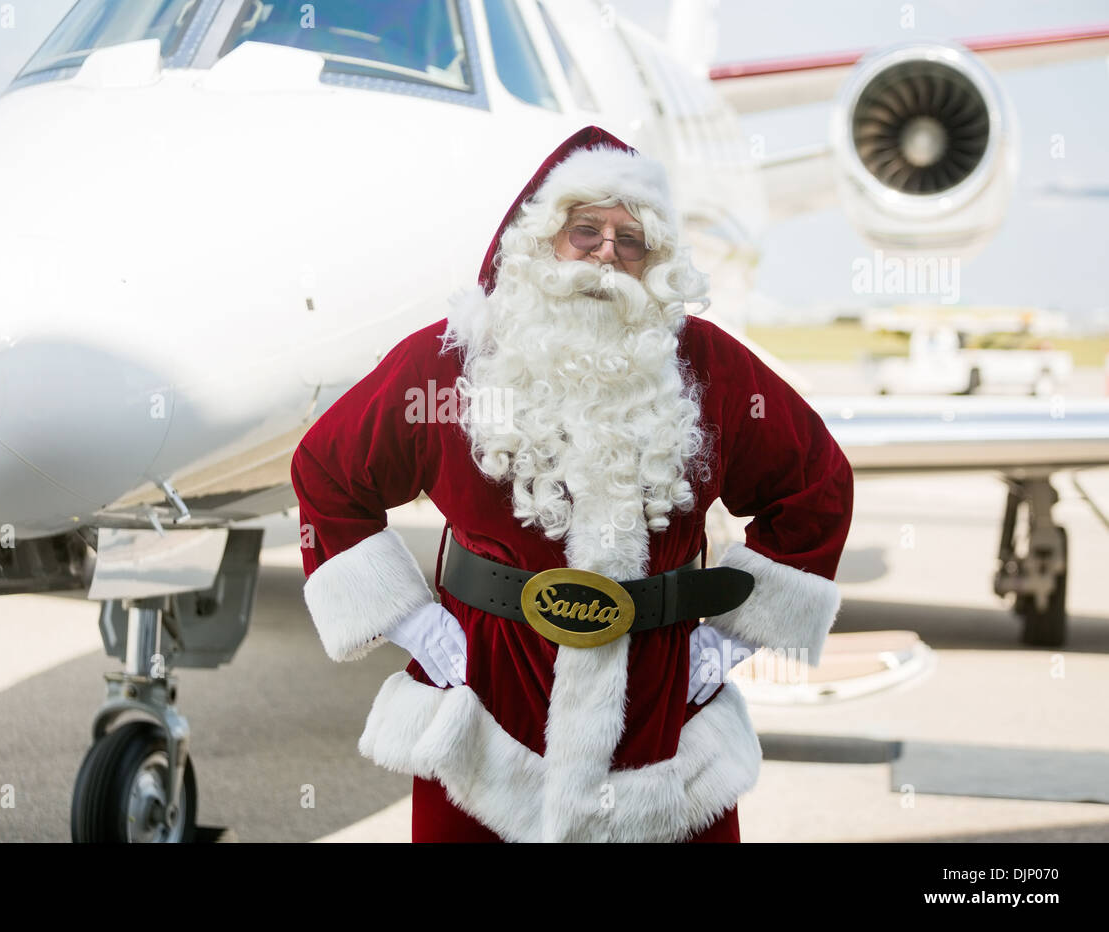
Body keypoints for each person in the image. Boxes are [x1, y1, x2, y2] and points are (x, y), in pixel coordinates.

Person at [291, 125, 854, 842]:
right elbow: (328, 471)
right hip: (482, 721)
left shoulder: (709, 368)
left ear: (657, 263)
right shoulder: (449, 364)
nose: (605, 255)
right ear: (537, 242)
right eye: (584, 230)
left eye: (632, 240)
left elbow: (816, 485)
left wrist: (733, 640)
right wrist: (413, 624)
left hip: (663, 734)